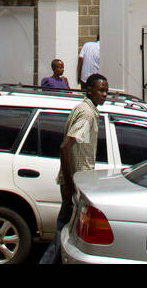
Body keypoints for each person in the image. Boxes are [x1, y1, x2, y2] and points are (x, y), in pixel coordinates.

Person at [40, 72, 109, 264]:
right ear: (89, 90)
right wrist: (70, 183)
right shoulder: (87, 115)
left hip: (74, 182)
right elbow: (65, 146)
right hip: (74, 183)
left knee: (67, 233)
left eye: (106, 91)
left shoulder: (83, 109)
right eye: (101, 91)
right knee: (64, 231)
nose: (104, 95)